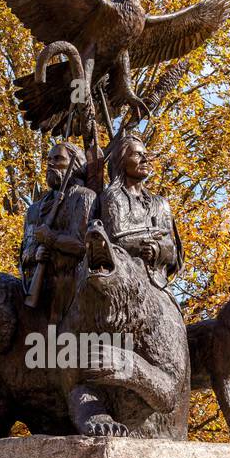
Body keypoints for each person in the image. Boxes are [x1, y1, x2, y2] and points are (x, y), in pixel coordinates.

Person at [20, 140, 97, 321]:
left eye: (58, 158)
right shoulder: (34, 210)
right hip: (37, 290)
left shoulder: (83, 197)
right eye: (48, 159)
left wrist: (51, 239)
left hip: (72, 288)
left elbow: (83, 246)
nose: (50, 163)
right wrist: (34, 254)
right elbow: (24, 252)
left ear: (75, 165)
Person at [97, 131, 183, 289]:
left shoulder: (161, 204)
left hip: (158, 281)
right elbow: (114, 240)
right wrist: (152, 235)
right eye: (137, 155)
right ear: (122, 161)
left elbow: (173, 249)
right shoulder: (113, 196)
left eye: (145, 155)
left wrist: (156, 249)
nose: (145, 160)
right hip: (124, 279)